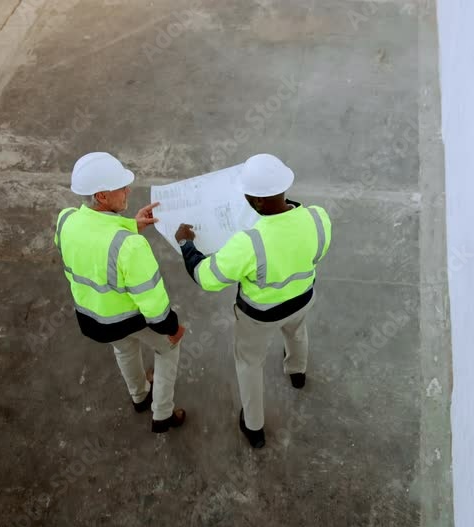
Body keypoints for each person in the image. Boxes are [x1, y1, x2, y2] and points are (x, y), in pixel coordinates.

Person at [174, 153, 332, 448]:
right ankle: (297, 373)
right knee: (297, 333)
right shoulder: (317, 217)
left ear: (257, 201)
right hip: (303, 299)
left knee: (249, 363)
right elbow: (318, 253)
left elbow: (207, 277)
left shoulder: (247, 243)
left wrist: (186, 243)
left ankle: (254, 426)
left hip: (260, 316)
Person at [55, 152, 187, 433]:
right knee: (168, 348)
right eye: (121, 187)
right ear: (101, 196)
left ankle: (139, 396)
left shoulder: (66, 220)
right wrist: (172, 327)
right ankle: (162, 414)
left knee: (124, 349)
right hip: (129, 318)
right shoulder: (130, 246)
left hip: (94, 319)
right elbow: (154, 304)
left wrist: (130, 225)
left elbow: (93, 245)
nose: (128, 190)